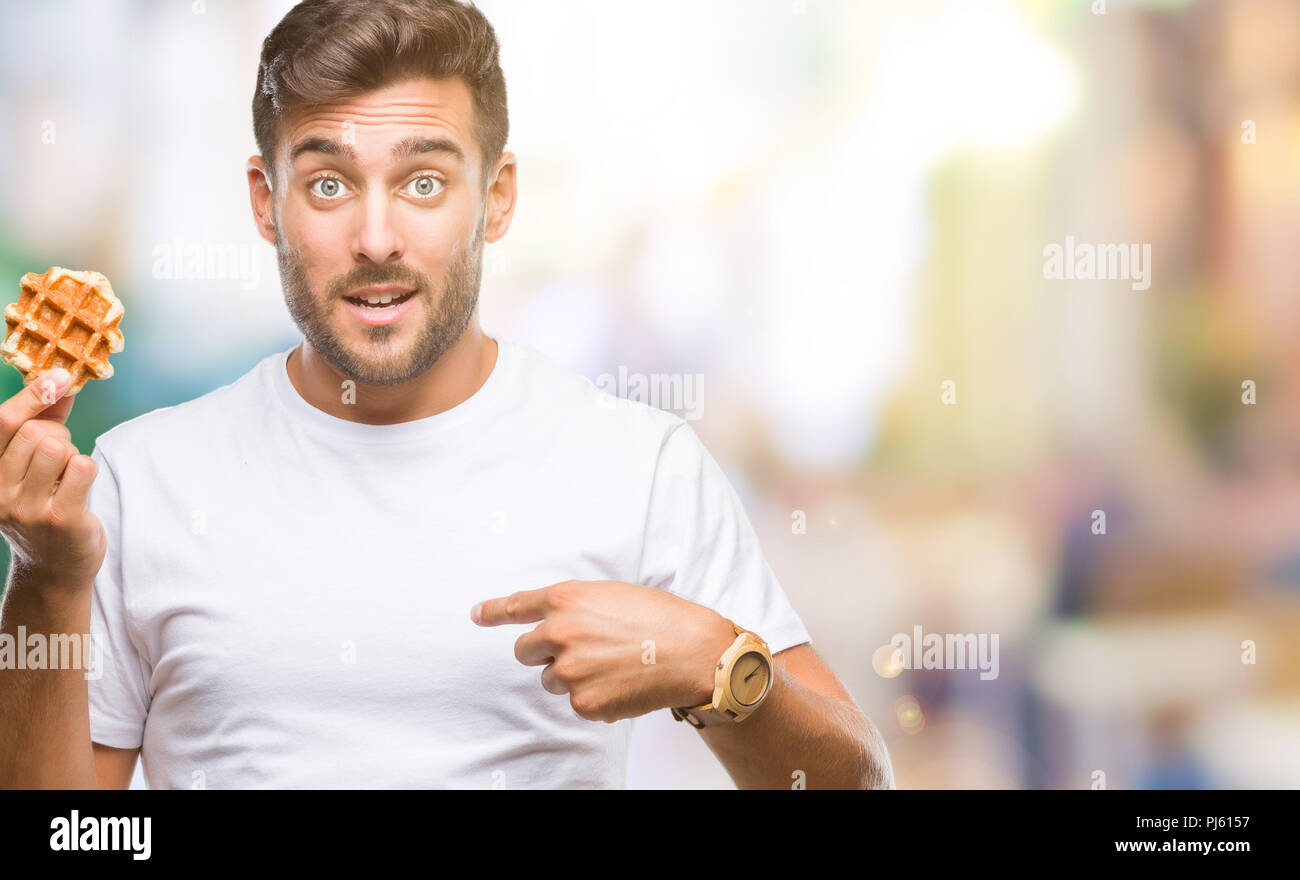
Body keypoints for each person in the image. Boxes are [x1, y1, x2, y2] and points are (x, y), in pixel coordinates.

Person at [0, 0, 892, 789]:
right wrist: (43, 580)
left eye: (423, 181)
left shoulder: (641, 465)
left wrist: (715, 666)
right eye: (328, 184)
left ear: (496, 199)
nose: (377, 236)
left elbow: (852, 784)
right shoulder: (139, 478)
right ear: (265, 202)